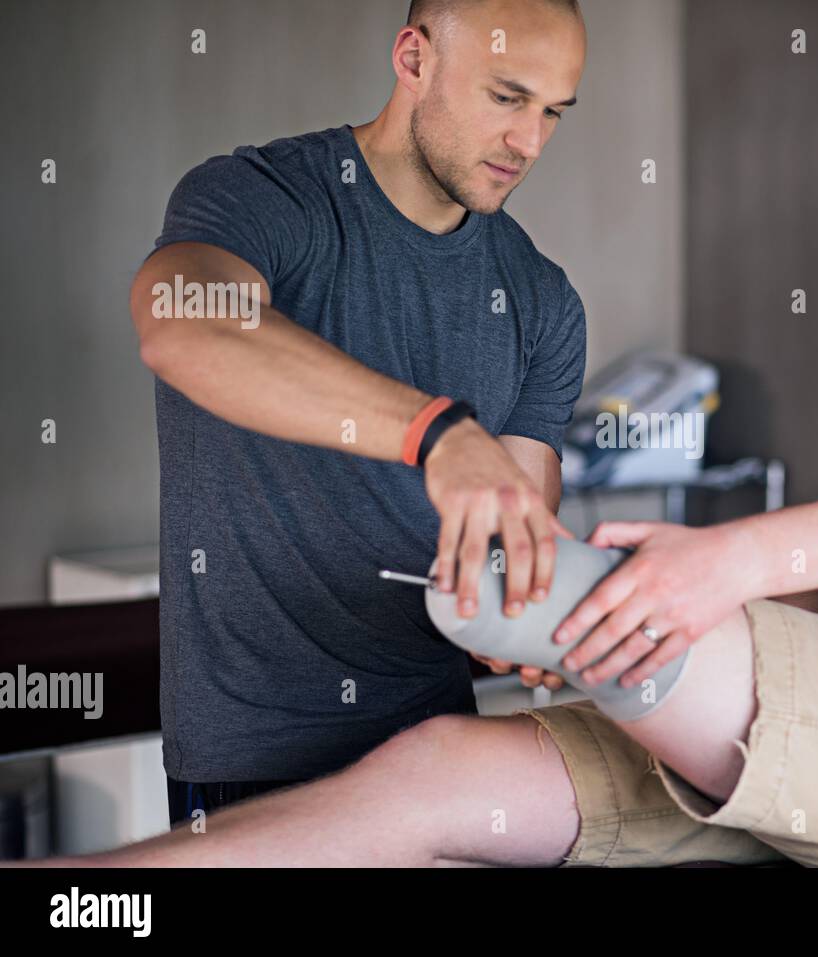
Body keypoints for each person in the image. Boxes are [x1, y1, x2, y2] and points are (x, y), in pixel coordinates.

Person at [79, 22, 818, 867]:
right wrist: (665, 592)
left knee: (626, 634)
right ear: (414, 58)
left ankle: (598, 632)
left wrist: (713, 571)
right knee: (447, 770)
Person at [128, 0, 588, 826]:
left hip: (442, 753)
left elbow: (507, 550)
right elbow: (180, 323)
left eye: (554, 112)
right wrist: (435, 433)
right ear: (413, 59)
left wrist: (533, 613)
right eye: (507, 98)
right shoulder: (263, 200)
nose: (532, 143)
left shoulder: (543, 299)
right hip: (255, 763)